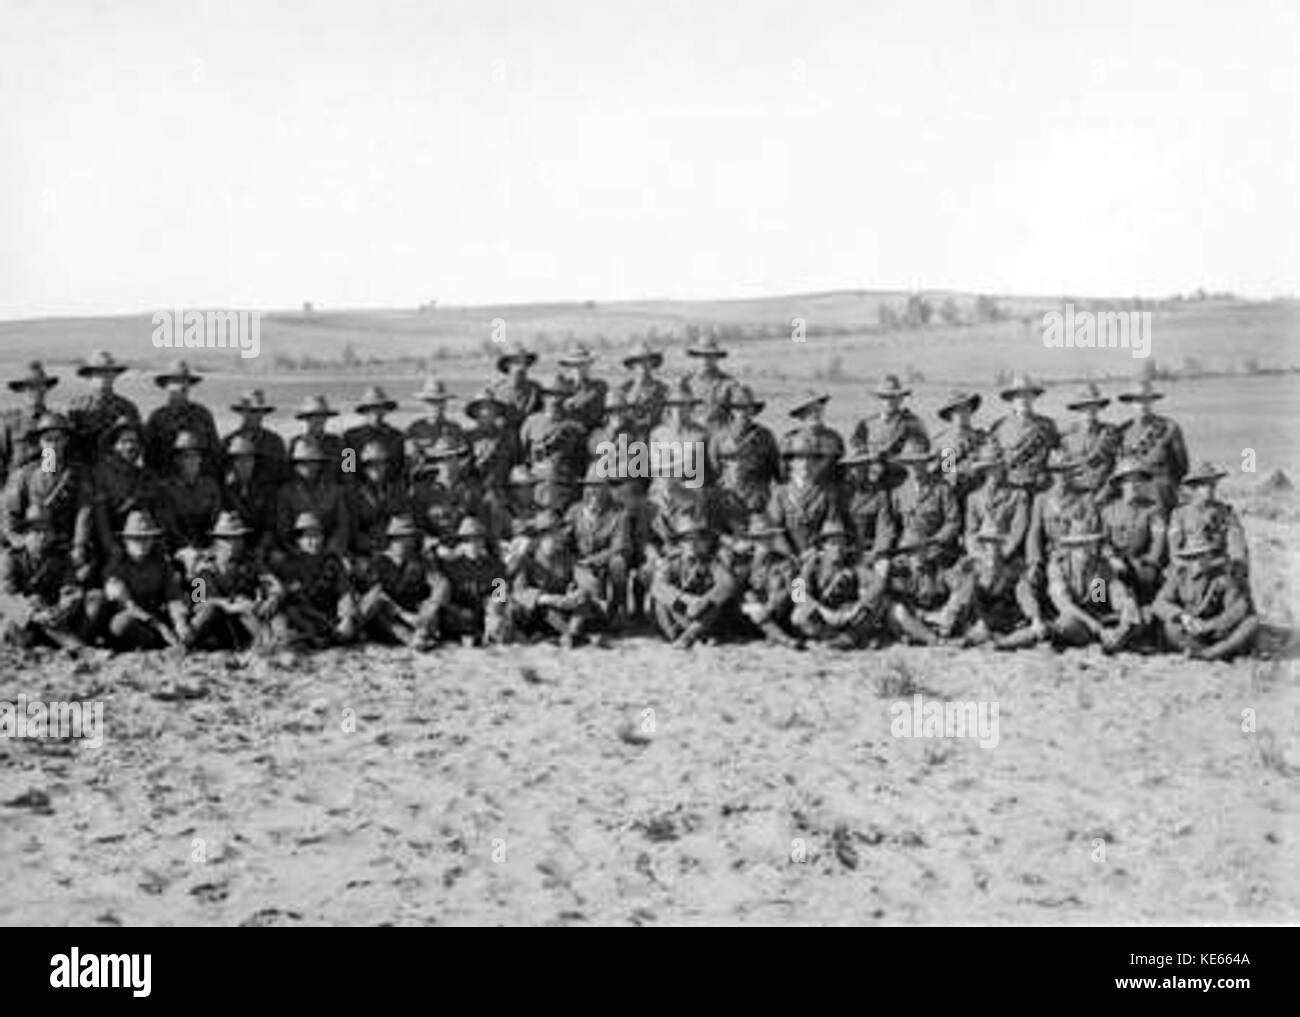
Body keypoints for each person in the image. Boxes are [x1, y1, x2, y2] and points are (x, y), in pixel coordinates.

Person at [2, 413, 94, 576]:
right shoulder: (24, 474)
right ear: (40, 442)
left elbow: (84, 512)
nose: (53, 444)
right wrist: (20, 541)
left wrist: (79, 545)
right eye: (48, 439)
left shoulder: (78, 474)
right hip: (33, 543)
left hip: (65, 544)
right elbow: (9, 513)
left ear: (66, 441)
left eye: (58, 439)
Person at [1152, 536, 1258, 660]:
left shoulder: (1225, 576)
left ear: (1211, 557)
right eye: (1193, 557)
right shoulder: (1179, 575)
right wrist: (1182, 616)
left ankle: (1210, 653)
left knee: (1251, 622)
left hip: (1218, 630)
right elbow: (1159, 603)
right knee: (1171, 626)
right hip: (1192, 631)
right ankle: (1208, 652)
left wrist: (1209, 626)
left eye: (1203, 555)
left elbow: (1238, 610)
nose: (1197, 562)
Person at [0, 505, 89, 650]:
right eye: (36, 531)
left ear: (53, 534)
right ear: (25, 535)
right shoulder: (10, 559)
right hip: (23, 622)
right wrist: (34, 615)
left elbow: (71, 589)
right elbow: (5, 599)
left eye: (46, 530)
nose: (42, 536)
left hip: (54, 619)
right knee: (33, 602)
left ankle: (73, 646)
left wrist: (62, 609)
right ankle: (78, 648)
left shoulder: (62, 558)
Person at [509, 510, 602, 647]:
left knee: (584, 602)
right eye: (553, 534)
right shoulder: (528, 559)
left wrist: (579, 591)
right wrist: (547, 598)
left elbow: (581, 574)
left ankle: (571, 634)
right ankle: (572, 635)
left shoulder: (565, 556)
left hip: (564, 605)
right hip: (541, 609)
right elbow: (519, 591)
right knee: (545, 610)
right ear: (541, 537)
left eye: (559, 532)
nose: (560, 537)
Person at [792, 519, 889, 649]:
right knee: (798, 616)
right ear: (823, 546)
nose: (837, 548)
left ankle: (847, 638)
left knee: (880, 602)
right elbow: (796, 591)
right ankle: (838, 638)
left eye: (841, 544)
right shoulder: (813, 564)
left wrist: (858, 606)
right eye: (832, 544)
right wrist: (820, 610)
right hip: (822, 614)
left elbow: (879, 583)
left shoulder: (852, 563)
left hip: (847, 614)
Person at [101, 510, 190, 650]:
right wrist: (160, 627)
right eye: (136, 538)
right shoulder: (116, 565)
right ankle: (157, 642)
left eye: (147, 538)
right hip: (139, 618)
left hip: (161, 612)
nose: (142, 543)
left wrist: (180, 621)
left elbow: (173, 595)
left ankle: (194, 637)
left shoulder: (163, 562)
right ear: (125, 540)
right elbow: (127, 606)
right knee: (122, 623)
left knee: (197, 602)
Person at [266, 512, 358, 648]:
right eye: (307, 538)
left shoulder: (332, 561)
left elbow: (344, 589)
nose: (313, 542)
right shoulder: (289, 564)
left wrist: (347, 617)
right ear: (298, 541)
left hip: (329, 615)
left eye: (317, 536)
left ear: (323, 538)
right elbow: (284, 596)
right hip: (304, 619)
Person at [1044, 531, 1144, 652]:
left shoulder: (1099, 564)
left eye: (1089, 544)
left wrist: (1126, 609)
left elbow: (1109, 593)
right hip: (1075, 616)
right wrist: (1096, 627)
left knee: (1133, 615)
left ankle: (1113, 639)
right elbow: (1065, 605)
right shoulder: (1057, 567)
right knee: (1066, 625)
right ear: (1070, 547)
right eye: (1079, 545)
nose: (1085, 549)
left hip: (1096, 613)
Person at [187, 511, 272, 650]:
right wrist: (225, 604)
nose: (233, 544)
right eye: (226, 539)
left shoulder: (251, 563)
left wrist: (266, 599)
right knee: (209, 611)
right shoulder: (203, 566)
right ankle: (186, 644)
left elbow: (269, 582)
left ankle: (267, 644)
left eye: (237, 538)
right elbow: (197, 602)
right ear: (217, 541)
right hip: (214, 624)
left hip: (244, 622)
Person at [649, 517, 737, 648]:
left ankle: (688, 636)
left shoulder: (711, 562)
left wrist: (703, 601)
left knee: (715, 605)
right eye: (687, 540)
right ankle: (685, 636)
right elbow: (657, 586)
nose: (692, 543)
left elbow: (728, 584)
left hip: (702, 615)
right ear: (680, 544)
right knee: (660, 600)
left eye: (697, 539)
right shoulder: (673, 561)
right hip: (679, 611)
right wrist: (685, 599)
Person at [355, 515, 441, 650]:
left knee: (430, 607)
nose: (405, 543)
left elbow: (440, 583)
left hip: (414, 613)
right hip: (388, 617)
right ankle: (411, 639)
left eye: (409, 538)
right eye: (399, 538)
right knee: (381, 612)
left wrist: (432, 606)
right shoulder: (378, 562)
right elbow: (376, 595)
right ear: (391, 540)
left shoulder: (421, 561)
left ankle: (422, 634)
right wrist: (403, 614)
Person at [1100, 457, 1168, 604]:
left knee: (1148, 578)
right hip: (1114, 562)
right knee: (1097, 577)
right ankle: (1097, 607)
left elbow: (1158, 543)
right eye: (1129, 480)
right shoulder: (1108, 510)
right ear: (1120, 484)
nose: (1134, 485)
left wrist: (1148, 561)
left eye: (1138, 480)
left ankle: (1145, 610)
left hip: (1142, 562)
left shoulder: (1153, 510)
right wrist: (1111, 558)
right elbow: (1103, 542)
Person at [1116, 376, 1189, 511]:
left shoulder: (1169, 428)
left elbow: (1182, 467)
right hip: (1132, 498)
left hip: (1160, 497)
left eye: (1147, 400)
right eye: (1138, 401)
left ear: (1152, 401)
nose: (1143, 405)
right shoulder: (1123, 431)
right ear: (1131, 403)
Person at [157, 430, 223, 574]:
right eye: (186, 456)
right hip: (178, 546)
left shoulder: (210, 486)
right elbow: (170, 528)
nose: (193, 460)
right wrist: (191, 547)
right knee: (197, 565)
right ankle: (198, 596)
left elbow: (216, 521)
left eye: (196, 455)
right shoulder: (166, 489)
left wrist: (211, 546)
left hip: (208, 543)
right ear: (177, 460)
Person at [765, 433, 841, 558]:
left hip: (816, 555)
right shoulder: (780, 493)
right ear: (791, 463)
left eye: (810, 459)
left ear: (817, 464)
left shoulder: (826, 493)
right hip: (786, 556)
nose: (805, 464)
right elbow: (774, 530)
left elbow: (832, 529)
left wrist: (817, 550)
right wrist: (789, 554)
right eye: (799, 459)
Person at [1167, 462, 1248, 577]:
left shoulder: (1226, 512)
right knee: (1165, 595)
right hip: (1188, 566)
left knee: (1237, 591)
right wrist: (1184, 566)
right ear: (1195, 488)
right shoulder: (1179, 514)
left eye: (1212, 484)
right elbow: (1173, 548)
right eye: (1204, 484)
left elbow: (1236, 542)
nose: (1210, 488)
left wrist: (1236, 562)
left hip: (1218, 565)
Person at [275, 439, 352, 559]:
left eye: (313, 462)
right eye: (302, 462)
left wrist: (332, 548)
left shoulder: (335, 490)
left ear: (320, 464)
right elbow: (283, 529)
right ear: (295, 466)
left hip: (330, 551)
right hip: (297, 552)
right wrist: (296, 550)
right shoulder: (285, 492)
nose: (308, 466)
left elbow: (343, 525)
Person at [143, 360, 221, 476]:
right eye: (175, 381)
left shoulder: (203, 415)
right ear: (167, 386)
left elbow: (215, 453)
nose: (180, 386)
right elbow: (149, 457)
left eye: (184, 381)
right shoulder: (157, 418)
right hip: (166, 483)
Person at [519, 374, 587, 505]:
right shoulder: (531, 423)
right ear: (543, 397)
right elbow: (522, 455)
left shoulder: (576, 426)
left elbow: (581, 462)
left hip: (565, 485)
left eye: (559, 395)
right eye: (550, 395)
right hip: (537, 484)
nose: (555, 400)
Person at [67, 350, 140, 467]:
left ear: (114, 376)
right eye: (98, 373)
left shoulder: (127, 408)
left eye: (107, 373)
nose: (103, 377)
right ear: (89, 377)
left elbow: (136, 446)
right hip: (86, 470)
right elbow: (63, 444)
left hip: (116, 472)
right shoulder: (77, 407)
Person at [988, 373, 1059, 490]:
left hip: (1038, 486)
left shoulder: (1047, 425)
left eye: (1027, 395)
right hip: (1011, 487)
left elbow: (1056, 454)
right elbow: (992, 461)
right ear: (1012, 400)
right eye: (1019, 396)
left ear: (1033, 398)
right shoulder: (999, 427)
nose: (1023, 400)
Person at [0, 361, 60, 487]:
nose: (36, 391)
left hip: (45, 489)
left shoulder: (55, 422)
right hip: (15, 491)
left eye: (40, 386)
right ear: (23, 389)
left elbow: (52, 465)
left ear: (45, 388)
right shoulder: (9, 422)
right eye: (31, 387)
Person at [348, 440, 410, 560]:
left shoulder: (396, 490)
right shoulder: (353, 492)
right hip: (363, 551)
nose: (376, 468)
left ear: (387, 465)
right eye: (370, 464)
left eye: (380, 463)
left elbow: (403, 519)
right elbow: (351, 529)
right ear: (364, 467)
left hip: (393, 546)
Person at [1060, 382, 1121, 495]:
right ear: (1078, 409)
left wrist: (1107, 491)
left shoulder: (1110, 432)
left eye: (1093, 406)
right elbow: (1063, 470)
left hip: (1104, 494)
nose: (1089, 411)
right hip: (1077, 494)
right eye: (1084, 407)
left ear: (1099, 407)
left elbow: (1119, 465)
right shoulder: (1067, 437)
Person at [850, 375, 928, 461]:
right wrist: (865, 451)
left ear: (900, 399)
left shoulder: (911, 423)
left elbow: (921, 449)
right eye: (885, 397)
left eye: (893, 397)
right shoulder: (866, 423)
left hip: (901, 468)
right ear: (879, 399)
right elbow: (856, 446)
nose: (889, 401)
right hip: (872, 467)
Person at [223, 390, 287, 487]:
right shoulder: (228, 442)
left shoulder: (275, 442)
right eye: (251, 411)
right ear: (242, 412)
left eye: (259, 411)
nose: (255, 415)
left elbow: (284, 475)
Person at [405, 378, 465, 481]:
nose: (435, 406)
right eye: (431, 402)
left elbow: (462, 456)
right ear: (424, 404)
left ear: (445, 403)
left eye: (439, 401)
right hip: (423, 477)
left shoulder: (454, 428)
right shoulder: (414, 428)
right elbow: (410, 457)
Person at [781, 390, 844, 484]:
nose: (815, 413)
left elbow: (839, 469)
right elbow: (782, 473)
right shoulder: (790, 440)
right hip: (798, 492)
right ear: (801, 414)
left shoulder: (834, 438)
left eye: (818, 409)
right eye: (810, 410)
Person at [343, 386, 405, 480]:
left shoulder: (396, 436)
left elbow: (399, 467)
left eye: (380, 408)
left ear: (385, 410)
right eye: (372, 408)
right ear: (366, 410)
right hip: (359, 486)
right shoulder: (350, 437)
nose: (376, 412)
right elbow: (347, 469)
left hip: (389, 486)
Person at [682, 329, 738, 428]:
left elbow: (738, 413)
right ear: (697, 357)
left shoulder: (729, 384)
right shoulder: (686, 383)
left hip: (720, 435)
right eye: (702, 355)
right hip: (694, 436)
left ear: (716, 357)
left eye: (709, 356)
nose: (705, 360)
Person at [287, 395, 345, 482]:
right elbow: (287, 473)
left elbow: (350, 471)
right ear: (306, 418)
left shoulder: (341, 442)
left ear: (326, 418)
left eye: (322, 416)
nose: (318, 420)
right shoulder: (295, 443)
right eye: (314, 416)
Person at [618, 340, 669, 437]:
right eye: (638, 362)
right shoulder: (624, 390)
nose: (642, 365)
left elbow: (669, 418)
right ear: (633, 365)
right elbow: (619, 418)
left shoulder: (663, 389)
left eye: (646, 361)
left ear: (652, 363)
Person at [559, 343, 609, 433]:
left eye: (582, 364)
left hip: (593, 432)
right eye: (574, 365)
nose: (578, 369)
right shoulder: (561, 386)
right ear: (569, 367)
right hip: (568, 432)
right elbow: (555, 414)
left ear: (588, 366)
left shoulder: (599, 386)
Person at [492, 342, 543, 429]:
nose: (522, 365)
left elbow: (542, 415)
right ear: (507, 365)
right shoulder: (495, 390)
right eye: (516, 361)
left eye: (524, 361)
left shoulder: (535, 388)